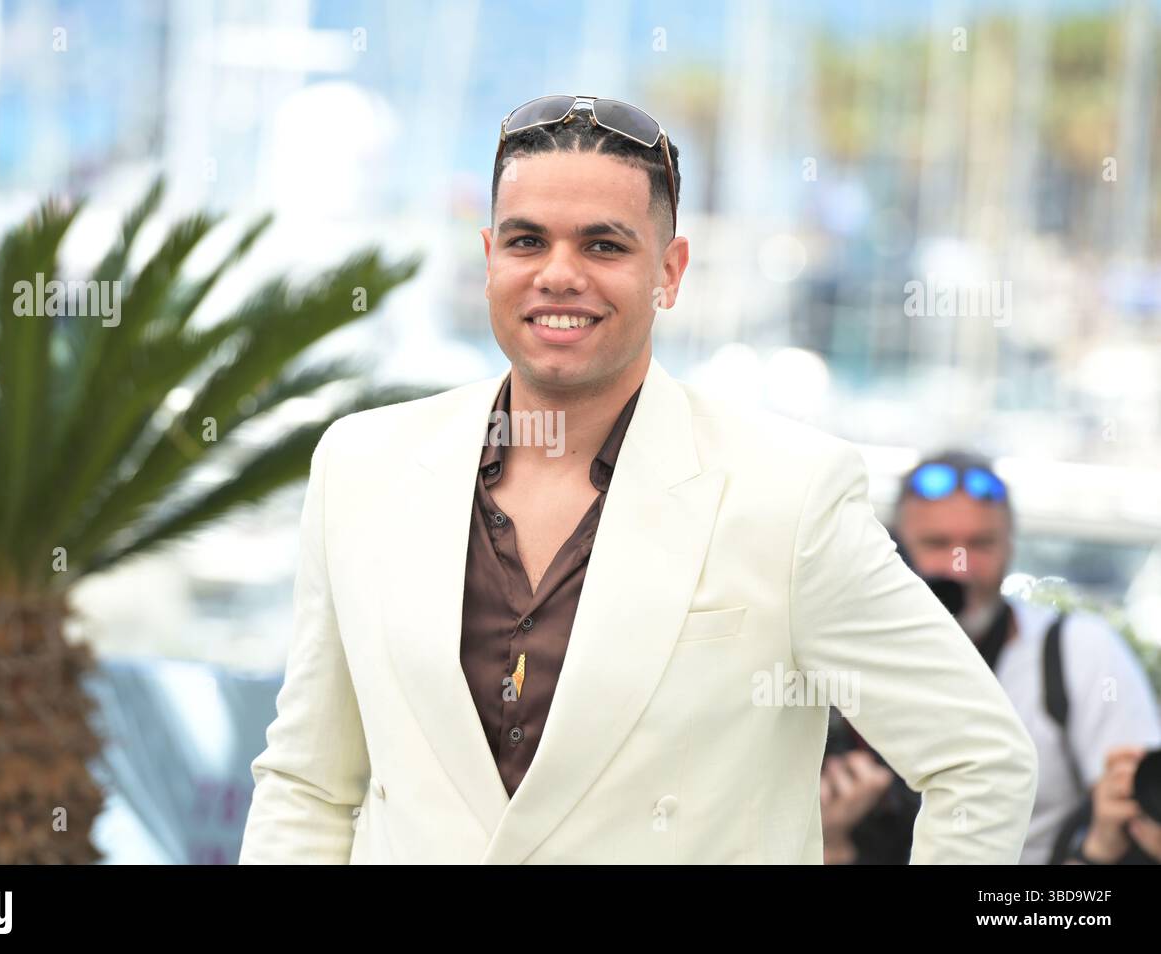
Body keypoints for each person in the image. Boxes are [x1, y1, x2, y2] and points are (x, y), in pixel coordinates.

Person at [238, 95, 1036, 864]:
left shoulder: (788, 495)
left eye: (603, 246)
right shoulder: (362, 466)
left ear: (670, 271)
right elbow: (309, 785)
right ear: (488, 261)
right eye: (526, 242)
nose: (558, 274)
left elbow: (980, 760)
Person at [824, 450, 1161, 864]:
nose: (960, 567)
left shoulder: (1080, 651)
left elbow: (1145, 807)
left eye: (981, 544)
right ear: (891, 552)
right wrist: (828, 843)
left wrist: (1107, 842)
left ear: (1011, 549)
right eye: (936, 544)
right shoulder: (834, 660)